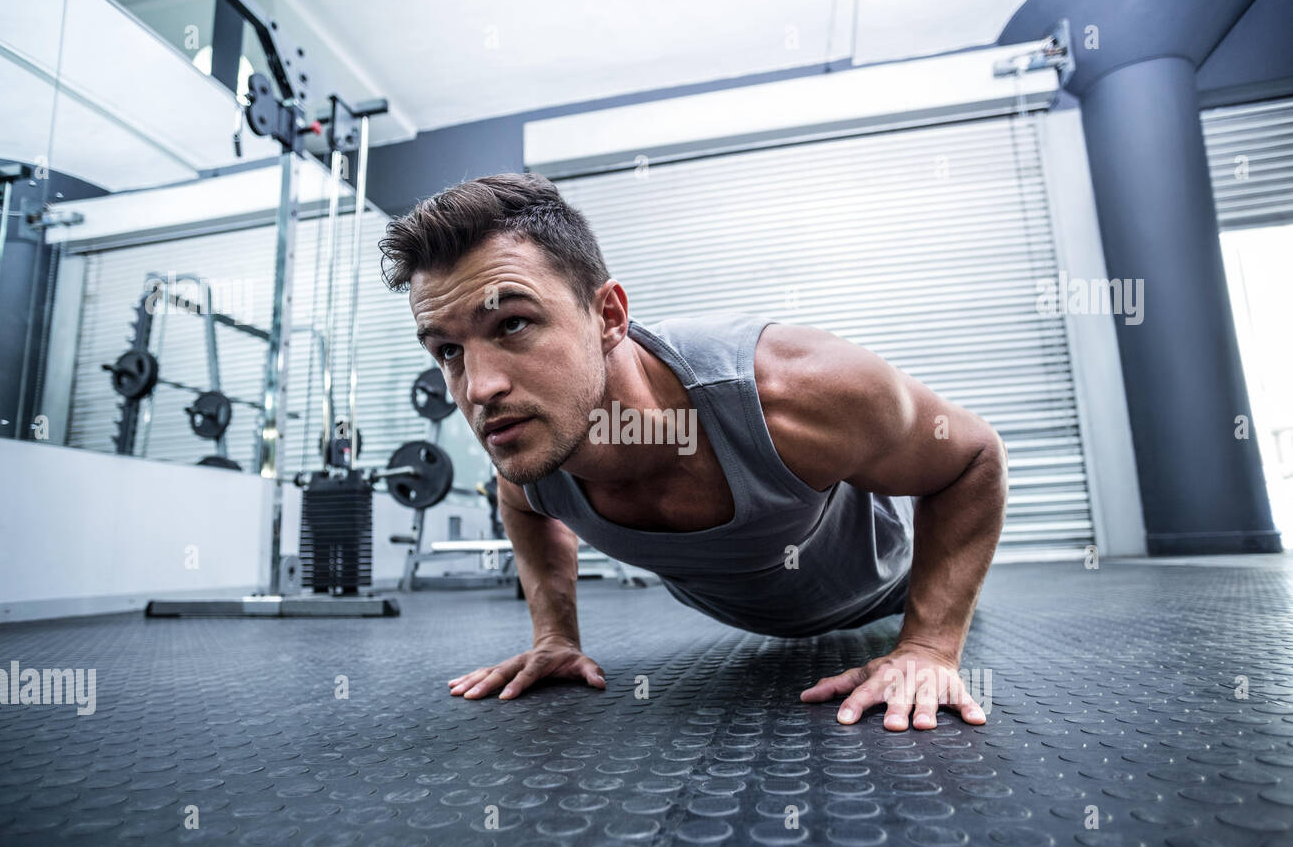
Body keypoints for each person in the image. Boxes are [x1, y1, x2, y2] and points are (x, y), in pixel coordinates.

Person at [379, 172, 1008, 731]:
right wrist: (555, 636)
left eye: (512, 324)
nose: (480, 387)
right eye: (448, 352)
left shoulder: (790, 391)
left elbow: (974, 456)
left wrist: (928, 646)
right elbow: (521, 505)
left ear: (609, 316)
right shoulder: (530, 443)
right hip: (757, 611)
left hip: (886, 589)